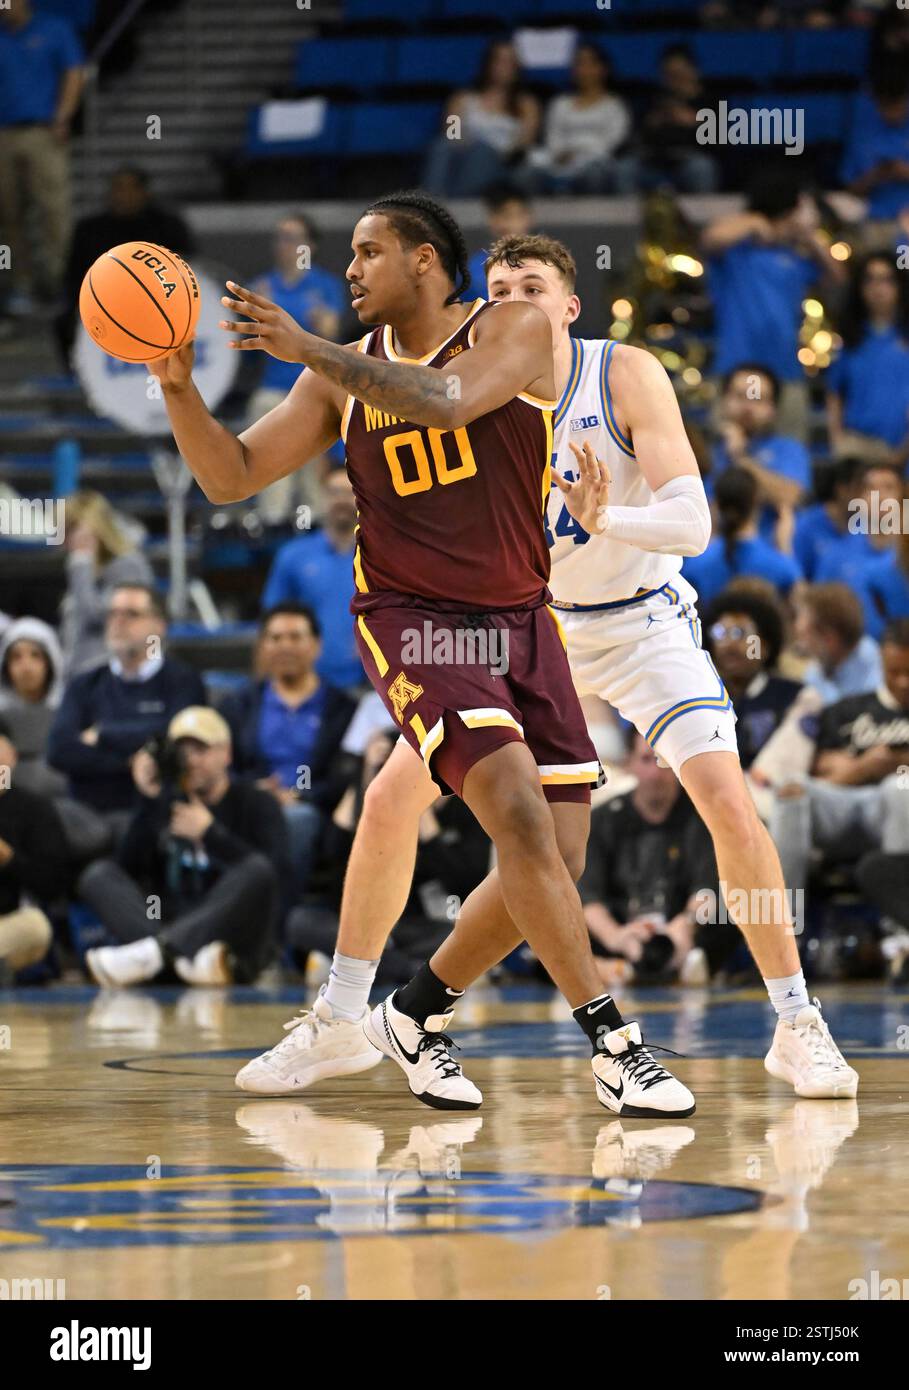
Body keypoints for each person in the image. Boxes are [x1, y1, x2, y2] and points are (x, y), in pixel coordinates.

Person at [237, 230, 857, 1106]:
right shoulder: (470, 382)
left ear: (569, 305)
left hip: (639, 621)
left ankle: (796, 1025)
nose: (512, 298)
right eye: (496, 287)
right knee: (391, 802)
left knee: (725, 799)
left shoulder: (622, 373)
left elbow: (691, 525)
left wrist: (610, 523)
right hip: (525, 632)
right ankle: (346, 1014)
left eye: (531, 284)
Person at [152, 189, 693, 1118]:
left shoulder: (512, 328)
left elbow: (448, 402)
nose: (350, 270)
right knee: (518, 816)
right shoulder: (338, 375)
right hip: (413, 618)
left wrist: (307, 347)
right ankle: (614, 1043)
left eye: (368, 252)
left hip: (524, 619)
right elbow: (229, 474)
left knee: (554, 855)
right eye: (350, 254)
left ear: (425, 262)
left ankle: (414, 1013)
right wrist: (174, 384)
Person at [79, 706, 289, 988]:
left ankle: (159, 955)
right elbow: (129, 868)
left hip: (230, 939)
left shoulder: (256, 802)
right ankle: (167, 956)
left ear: (226, 754)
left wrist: (211, 834)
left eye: (200, 750)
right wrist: (148, 800)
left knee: (257, 868)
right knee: (98, 875)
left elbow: (273, 876)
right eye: (182, 752)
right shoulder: (165, 802)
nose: (191, 761)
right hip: (172, 925)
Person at [220, 603, 356, 896]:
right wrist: (255, 791)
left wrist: (299, 794)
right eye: (275, 638)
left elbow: (344, 776)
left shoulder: (341, 708)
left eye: (295, 637)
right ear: (263, 647)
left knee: (296, 820)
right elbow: (223, 766)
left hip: (313, 810)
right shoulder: (238, 705)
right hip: (250, 803)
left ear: (316, 646)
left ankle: (280, 926)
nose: (285, 646)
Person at [770, 619, 909, 900]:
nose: (904, 682)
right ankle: (784, 923)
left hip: (895, 809)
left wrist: (892, 764)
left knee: (899, 786)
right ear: (882, 661)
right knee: (792, 787)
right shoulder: (846, 710)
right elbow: (822, 773)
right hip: (842, 805)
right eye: (895, 672)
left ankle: (899, 921)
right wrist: (865, 768)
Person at [702, 170, 843, 436]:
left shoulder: (796, 256)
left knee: (790, 454)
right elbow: (711, 238)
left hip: (786, 373)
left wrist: (810, 236)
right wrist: (756, 221)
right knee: (727, 457)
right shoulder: (735, 252)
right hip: (735, 369)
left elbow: (838, 278)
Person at [47, 583, 206, 819]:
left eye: (132, 614)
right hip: (88, 815)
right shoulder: (84, 684)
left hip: (159, 813)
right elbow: (59, 750)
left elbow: (175, 739)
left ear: (159, 626)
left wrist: (103, 734)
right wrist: (129, 762)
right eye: (113, 613)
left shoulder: (183, 681)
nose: (118, 621)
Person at [580, 733, 717, 984]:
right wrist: (616, 936)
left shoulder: (703, 819)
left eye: (663, 761)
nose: (655, 773)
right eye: (646, 760)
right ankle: (612, 969)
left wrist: (685, 925)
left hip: (685, 934)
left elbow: (708, 890)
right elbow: (588, 896)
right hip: (619, 935)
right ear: (629, 763)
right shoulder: (602, 820)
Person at [245, 212, 347, 526]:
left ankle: (316, 521)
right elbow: (245, 340)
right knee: (266, 411)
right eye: (280, 238)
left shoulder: (325, 286)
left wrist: (319, 319)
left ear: (310, 246)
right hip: (275, 389)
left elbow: (331, 332)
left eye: (292, 238)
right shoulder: (261, 287)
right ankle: (272, 520)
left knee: (311, 441)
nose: (284, 246)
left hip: (313, 384)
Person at [57, 166, 196, 363]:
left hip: (159, 301)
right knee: (65, 319)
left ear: (145, 192)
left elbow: (189, 267)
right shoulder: (89, 229)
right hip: (102, 301)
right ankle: (81, 370)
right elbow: (73, 274)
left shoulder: (168, 225)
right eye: (118, 189)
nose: (123, 195)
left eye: (130, 189)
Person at [0, 0, 85, 315]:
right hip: (3, 134)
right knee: (9, 214)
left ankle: (61, 281)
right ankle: (21, 283)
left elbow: (74, 72)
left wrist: (64, 115)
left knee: (54, 210)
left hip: (42, 131)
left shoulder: (54, 29)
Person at [261, 471, 364, 690]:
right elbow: (272, 620)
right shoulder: (294, 556)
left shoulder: (383, 557)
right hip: (310, 684)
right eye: (335, 492)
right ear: (323, 497)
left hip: (373, 683)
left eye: (350, 492)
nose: (342, 500)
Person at [423, 41, 540, 198]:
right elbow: (451, 135)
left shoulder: (526, 104)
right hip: (465, 155)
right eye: (499, 60)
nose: (504, 67)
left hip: (502, 162)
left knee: (482, 152)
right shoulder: (461, 99)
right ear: (488, 64)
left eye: (510, 62)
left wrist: (493, 151)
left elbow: (524, 144)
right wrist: (468, 145)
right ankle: (431, 201)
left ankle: (457, 204)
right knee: (441, 146)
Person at [703, 587, 802, 769]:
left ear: (763, 646)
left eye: (740, 633)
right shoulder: (701, 698)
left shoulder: (795, 697)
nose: (729, 644)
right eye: (720, 633)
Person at [0, 718, 68, 981]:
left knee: (35, 928)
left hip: (8, 923)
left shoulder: (35, 809)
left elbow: (54, 885)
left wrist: (9, 859)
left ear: (13, 757)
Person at [710, 364, 812, 540]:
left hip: (769, 555)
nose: (748, 407)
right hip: (714, 555)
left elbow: (789, 497)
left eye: (757, 399)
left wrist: (739, 457)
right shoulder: (706, 450)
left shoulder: (789, 450)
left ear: (772, 409)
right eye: (740, 396)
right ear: (724, 401)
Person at [826, 251, 909, 465]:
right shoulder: (849, 340)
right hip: (858, 447)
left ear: (899, 286)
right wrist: (837, 440)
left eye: (886, 280)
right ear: (860, 288)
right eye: (869, 280)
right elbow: (834, 393)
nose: (877, 288)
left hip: (903, 446)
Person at [60, 490, 154, 676]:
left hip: (114, 678)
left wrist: (81, 562)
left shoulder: (127, 566)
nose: (65, 540)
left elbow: (97, 617)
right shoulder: (89, 571)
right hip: (84, 680)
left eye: (71, 529)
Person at [683, 468, 802, 607]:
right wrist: (785, 546)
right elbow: (800, 601)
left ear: (715, 505)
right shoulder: (781, 565)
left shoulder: (696, 564)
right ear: (756, 504)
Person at [525, 43, 633, 195]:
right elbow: (553, 138)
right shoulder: (560, 104)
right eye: (579, 63)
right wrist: (561, 154)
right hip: (561, 163)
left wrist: (578, 152)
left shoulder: (614, 106)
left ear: (603, 69)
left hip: (597, 164)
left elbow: (612, 143)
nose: (584, 70)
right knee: (528, 172)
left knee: (595, 173)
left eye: (590, 63)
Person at [814, 462, 905, 639]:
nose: (880, 496)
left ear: (903, 496)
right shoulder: (835, 555)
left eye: (888, 487)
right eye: (871, 488)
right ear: (859, 498)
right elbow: (819, 614)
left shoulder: (905, 555)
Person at [637, 45, 718, 194]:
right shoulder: (655, 100)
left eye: (680, 74)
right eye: (670, 75)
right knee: (626, 169)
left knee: (702, 168)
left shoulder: (711, 100)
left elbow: (721, 142)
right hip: (656, 161)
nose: (676, 80)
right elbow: (641, 136)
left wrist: (694, 121)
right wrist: (655, 123)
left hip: (692, 160)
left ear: (694, 71)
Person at [0, 616, 66, 797]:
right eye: (16, 657)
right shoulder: (1, 718)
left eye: (35, 656)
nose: (26, 667)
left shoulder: (71, 713)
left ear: (51, 661)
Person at [792, 583, 884, 705]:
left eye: (805, 636)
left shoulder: (879, 680)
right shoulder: (816, 669)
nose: (801, 645)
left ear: (829, 640)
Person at [842, 66, 909, 230]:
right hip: (876, 221)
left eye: (896, 104)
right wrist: (875, 176)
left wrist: (904, 173)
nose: (891, 113)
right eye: (884, 105)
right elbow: (850, 190)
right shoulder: (862, 137)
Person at [793, 456, 866, 581]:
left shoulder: (870, 526)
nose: (868, 496)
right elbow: (797, 577)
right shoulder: (807, 526)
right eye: (861, 489)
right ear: (842, 489)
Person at [464, 184, 532, 301]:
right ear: (492, 219)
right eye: (506, 216)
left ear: (528, 218)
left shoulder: (546, 267)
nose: (512, 225)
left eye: (518, 215)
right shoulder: (474, 270)